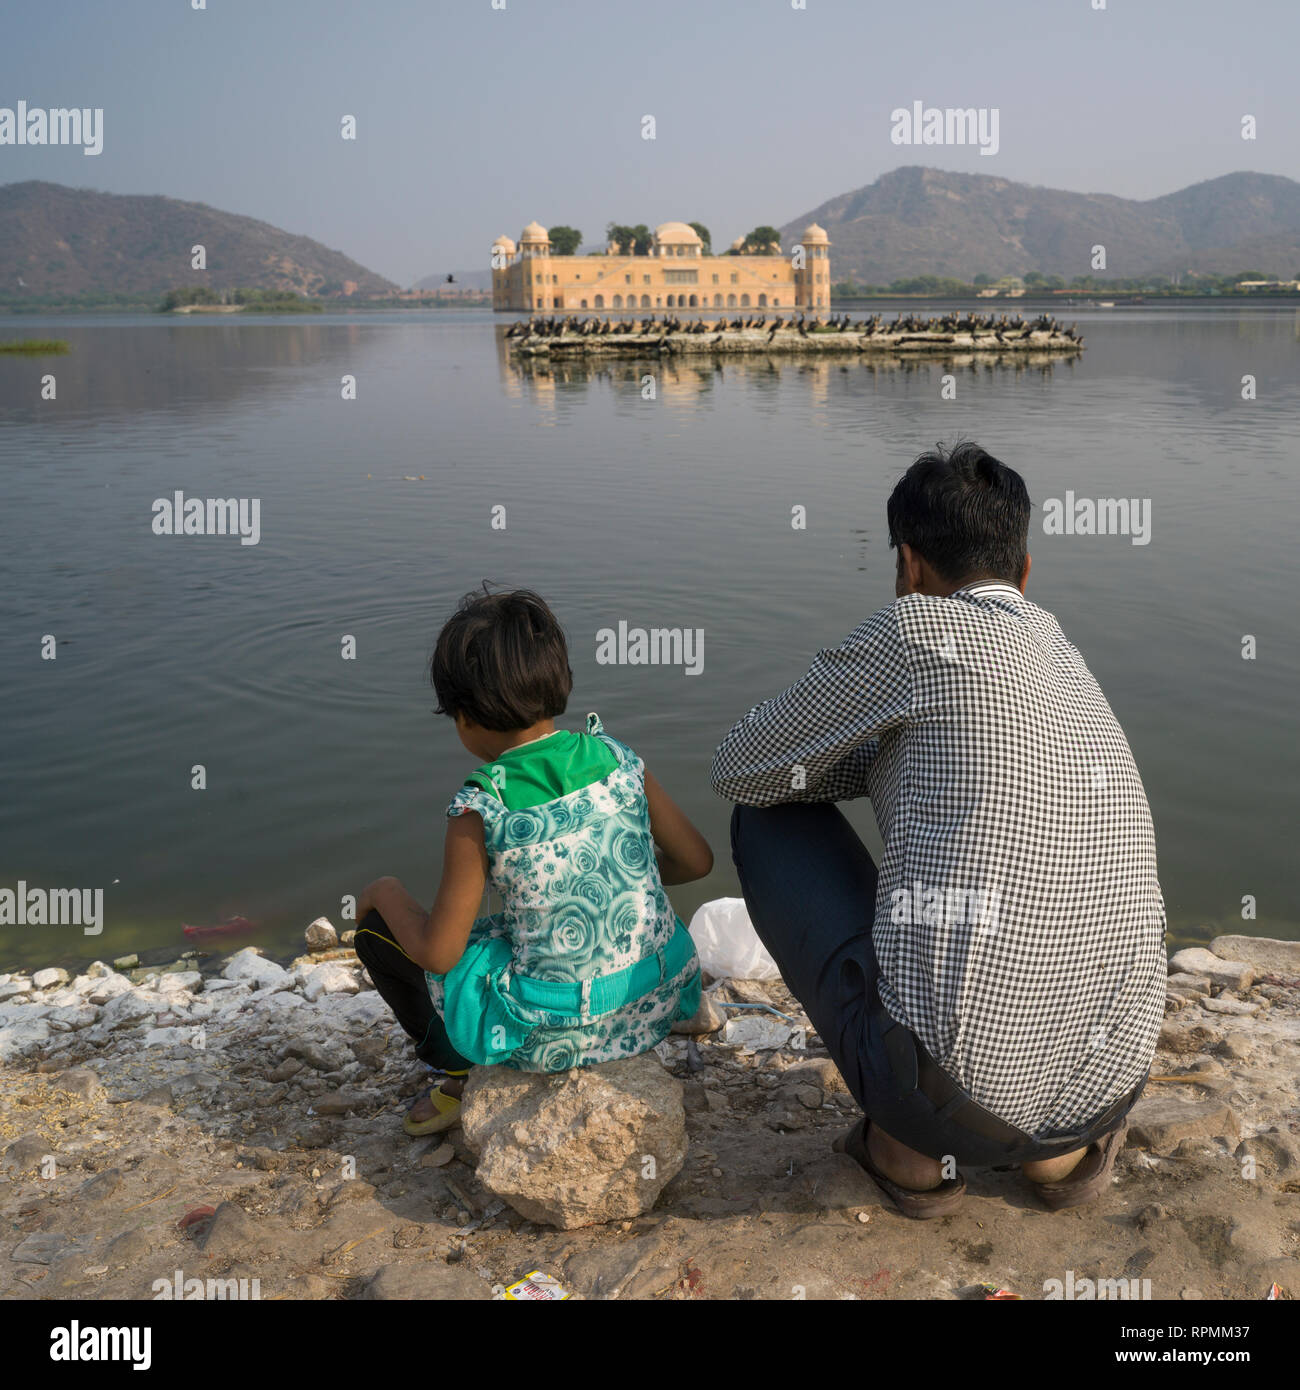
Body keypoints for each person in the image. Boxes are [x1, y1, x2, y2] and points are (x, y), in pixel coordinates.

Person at [711, 442, 1165, 1217]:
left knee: (765, 817)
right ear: (1024, 571)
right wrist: (891, 760)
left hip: (945, 1105)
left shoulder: (917, 630)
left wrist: (850, 762)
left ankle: (911, 1154)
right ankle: (1056, 1157)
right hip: (1109, 1085)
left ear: (910, 567)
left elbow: (744, 764)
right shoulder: (1060, 646)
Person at [356, 586, 711, 1136]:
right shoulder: (617, 757)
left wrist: (385, 890)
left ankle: (457, 1068)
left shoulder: (481, 804)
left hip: (555, 1031)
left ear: (466, 717)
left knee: (383, 934)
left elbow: (439, 952)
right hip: (659, 997)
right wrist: (609, 877)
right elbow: (696, 860)